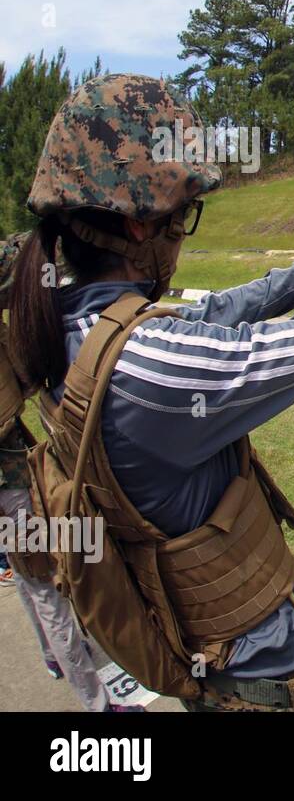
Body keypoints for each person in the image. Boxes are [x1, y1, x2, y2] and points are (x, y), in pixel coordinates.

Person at [8, 73, 294, 711]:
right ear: (137, 228)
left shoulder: (66, 328)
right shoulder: (148, 370)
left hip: (213, 658)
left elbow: (204, 317)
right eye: (185, 217)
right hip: (254, 678)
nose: (185, 234)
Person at [0, 231, 123, 710]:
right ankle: (97, 704)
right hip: (7, 475)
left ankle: (55, 656)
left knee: (24, 572)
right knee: (46, 580)